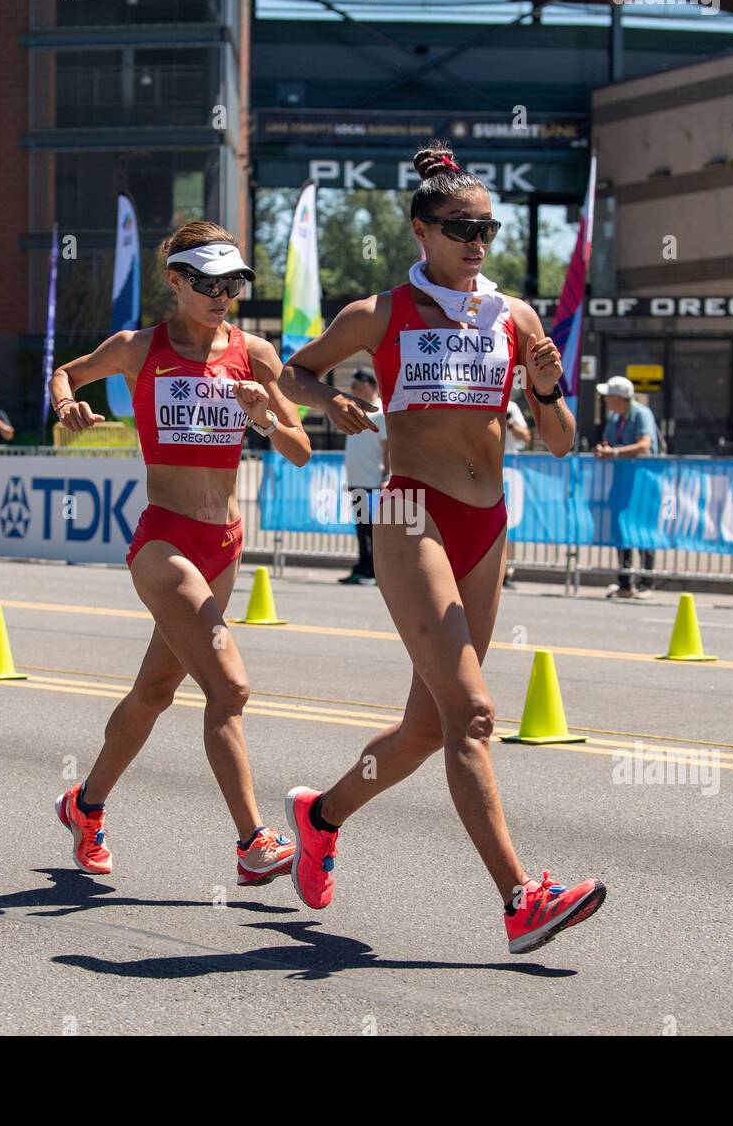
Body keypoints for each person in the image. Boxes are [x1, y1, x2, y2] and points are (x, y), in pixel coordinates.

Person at [280, 141, 607, 954]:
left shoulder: (516, 317)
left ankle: (320, 815)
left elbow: (561, 440)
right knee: (475, 714)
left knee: (427, 730)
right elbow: (294, 372)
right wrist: (333, 405)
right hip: (408, 516)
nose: (478, 240)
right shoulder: (379, 313)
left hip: (486, 523)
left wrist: (545, 386)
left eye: (488, 227)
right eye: (461, 225)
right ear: (422, 229)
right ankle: (521, 898)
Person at [47, 221, 311, 887]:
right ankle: (253, 841)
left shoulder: (255, 353)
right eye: (208, 283)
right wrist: (68, 406)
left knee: (156, 690)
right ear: (176, 281)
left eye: (233, 283)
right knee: (229, 686)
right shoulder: (140, 348)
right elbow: (66, 373)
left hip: (224, 544)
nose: (222, 295)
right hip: (164, 538)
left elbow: (300, 447)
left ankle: (85, 805)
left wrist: (265, 417)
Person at [593, 376, 657, 600]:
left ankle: (646, 582)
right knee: (620, 528)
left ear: (620, 399)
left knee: (642, 528)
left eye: (609, 397)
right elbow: (609, 442)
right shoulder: (613, 417)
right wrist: (604, 448)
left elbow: (644, 446)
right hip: (621, 480)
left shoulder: (641, 414)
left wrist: (615, 453)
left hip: (642, 482)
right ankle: (625, 582)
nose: (606, 401)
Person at [340, 368, 388, 585]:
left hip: (374, 483)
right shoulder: (358, 412)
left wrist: (387, 475)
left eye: (358, 386)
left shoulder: (379, 413)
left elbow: (388, 448)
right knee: (362, 527)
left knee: (374, 529)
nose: (354, 391)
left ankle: (374, 570)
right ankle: (363, 566)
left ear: (369, 385)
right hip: (359, 481)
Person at [502, 398, 531, 589]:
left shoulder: (511, 407)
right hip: (482, 470)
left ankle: (507, 571)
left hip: (507, 474)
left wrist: (510, 422)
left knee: (508, 522)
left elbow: (526, 437)